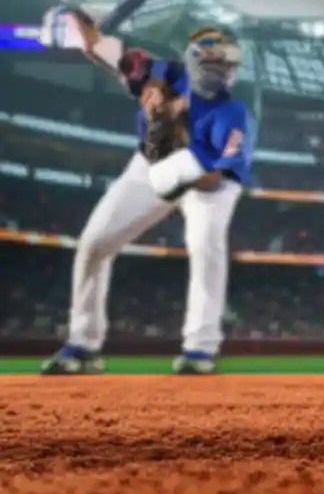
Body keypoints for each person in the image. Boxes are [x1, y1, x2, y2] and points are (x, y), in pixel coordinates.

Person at [40, 19, 253, 375]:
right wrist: (74, 18)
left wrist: (171, 128)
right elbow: (99, 47)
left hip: (209, 180)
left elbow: (213, 178)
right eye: (216, 62)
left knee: (205, 246)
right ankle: (83, 344)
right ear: (195, 61)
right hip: (151, 161)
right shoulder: (162, 72)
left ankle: (200, 349)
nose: (224, 72)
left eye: (228, 64)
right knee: (95, 243)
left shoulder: (234, 114)